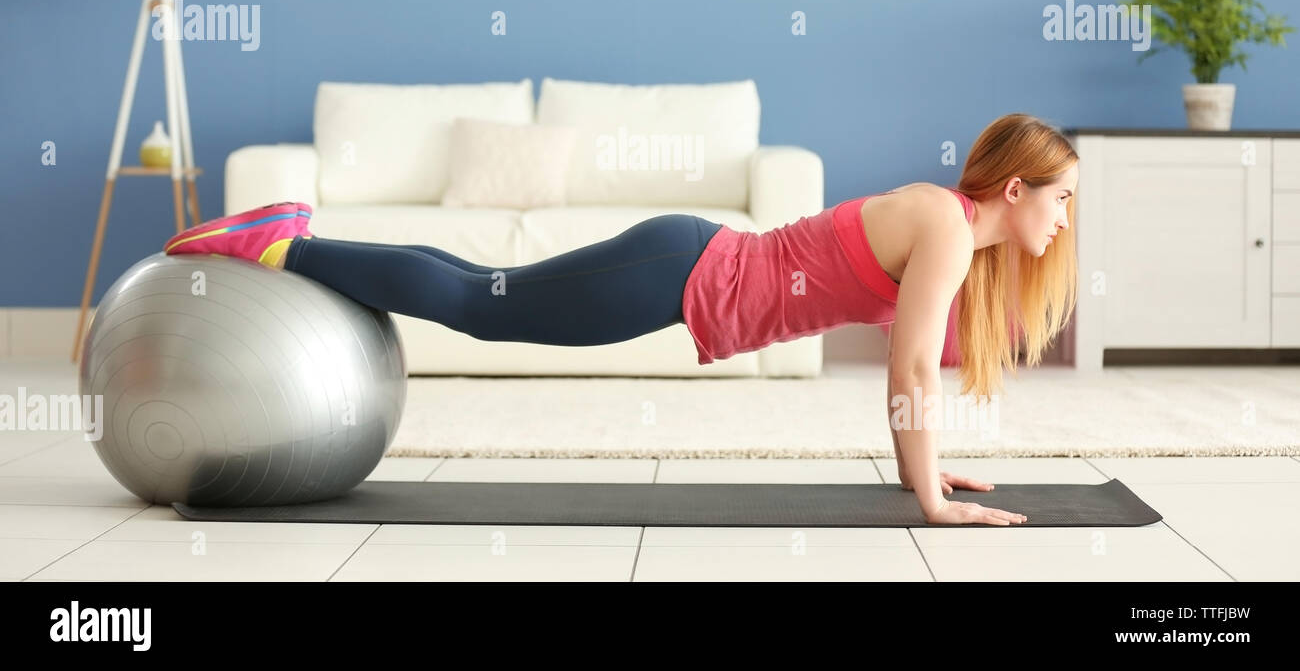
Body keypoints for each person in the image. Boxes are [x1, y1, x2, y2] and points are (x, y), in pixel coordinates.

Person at [163, 112, 1078, 526]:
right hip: (684, 269)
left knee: (489, 293)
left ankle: (293, 239)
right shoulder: (949, 229)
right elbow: (913, 370)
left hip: (685, 264)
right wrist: (926, 499)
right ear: (1013, 188)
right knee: (487, 307)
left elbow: (907, 368)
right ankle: (287, 243)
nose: (1065, 217)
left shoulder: (947, 229)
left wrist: (923, 467)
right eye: (1062, 197)